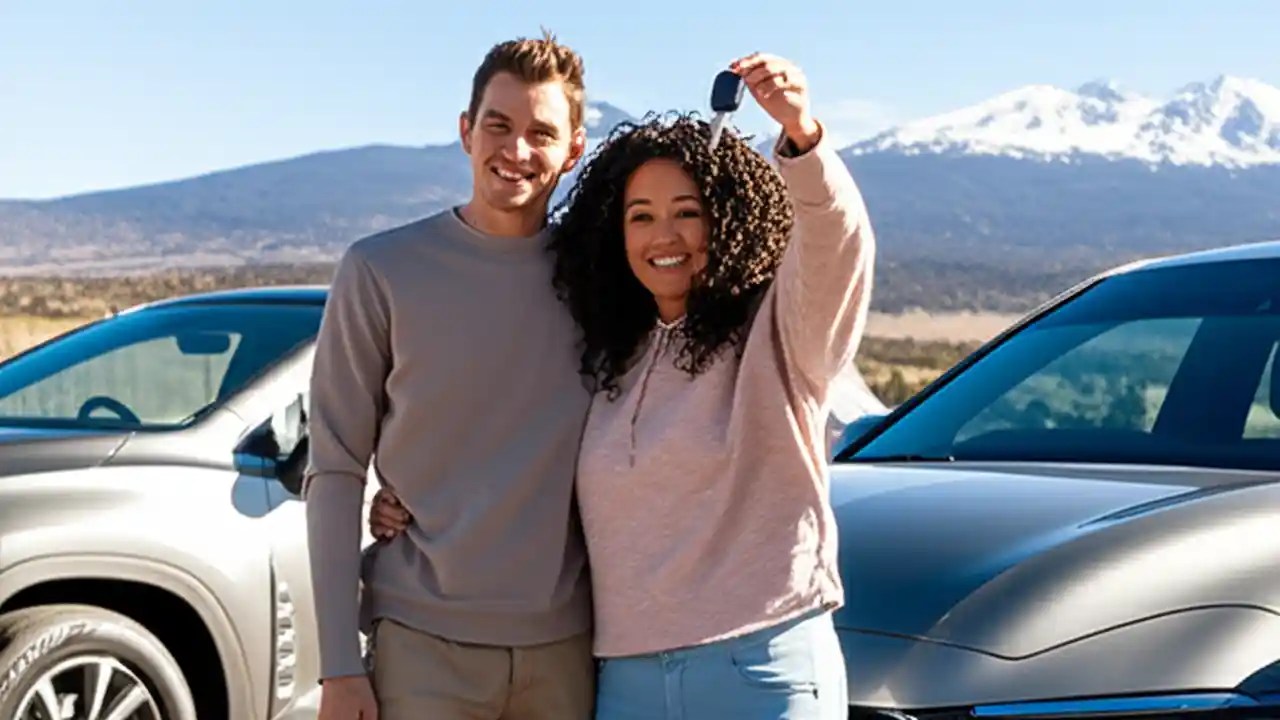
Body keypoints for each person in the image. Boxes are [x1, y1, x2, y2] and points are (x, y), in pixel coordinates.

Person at [372, 52, 876, 719]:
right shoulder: (611, 357)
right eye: (640, 216)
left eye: (686, 212)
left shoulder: (782, 336)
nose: (664, 236)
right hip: (626, 680)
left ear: (724, 218)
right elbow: (519, 450)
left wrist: (802, 138)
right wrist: (416, 498)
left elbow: (836, 247)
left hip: (759, 669)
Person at [303, 31, 598, 720]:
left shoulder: (602, 281)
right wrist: (338, 667)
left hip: (569, 651)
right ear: (466, 132)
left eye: (541, 132)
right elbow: (336, 468)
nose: (516, 150)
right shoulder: (381, 270)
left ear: (574, 150)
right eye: (498, 125)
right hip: (420, 647)